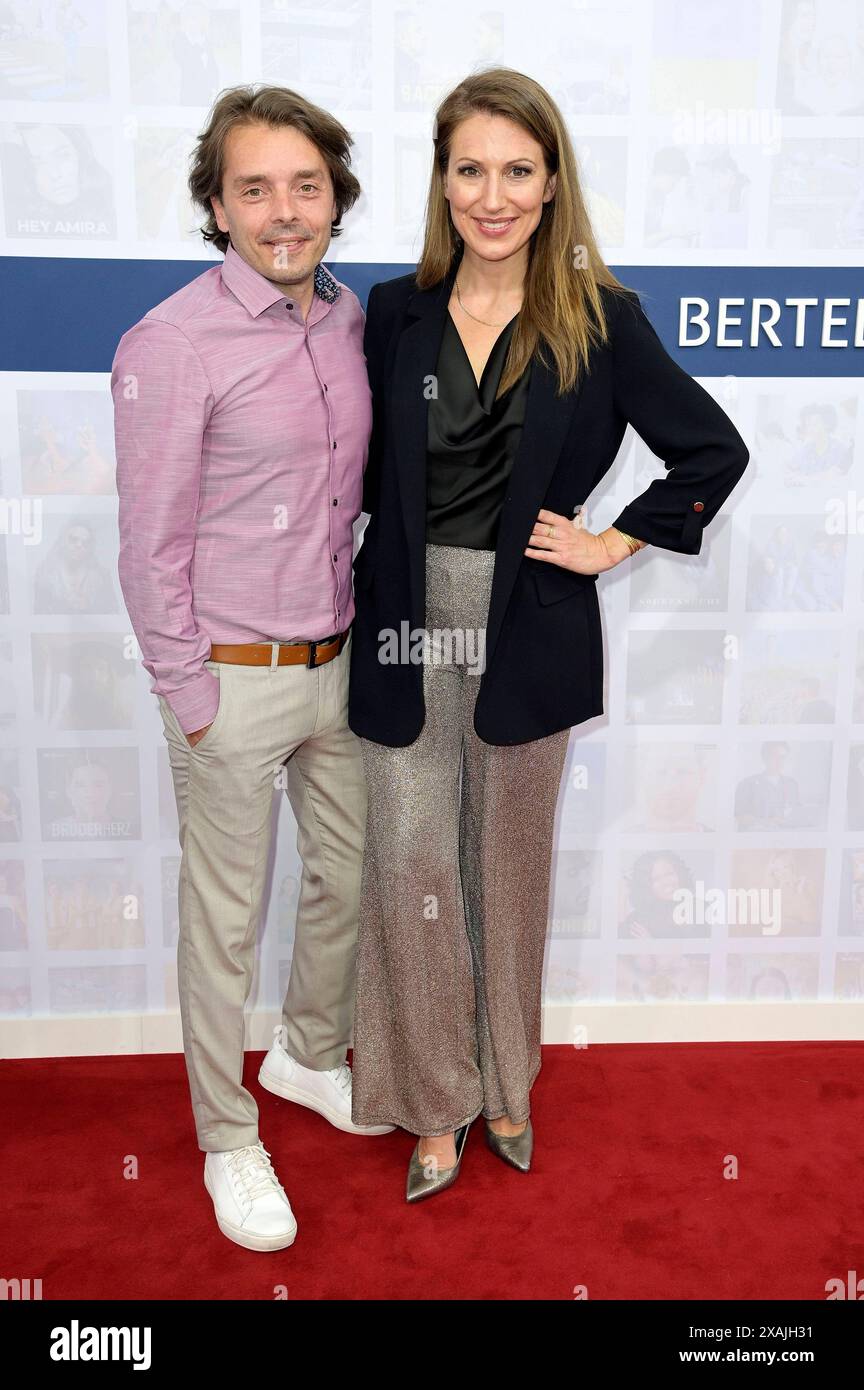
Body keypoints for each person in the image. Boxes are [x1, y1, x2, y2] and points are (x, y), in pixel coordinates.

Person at [348, 67, 750, 1202]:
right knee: (414, 864)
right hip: (407, 620)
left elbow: (712, 453)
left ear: (552, 180)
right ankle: (436, 1099)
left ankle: (507, 1081)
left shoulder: (602, 319)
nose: (493, 194)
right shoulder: (391, 312)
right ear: (441, 180)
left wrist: (616, 540)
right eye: (470, 168)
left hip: (529, 623)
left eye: (517, 170)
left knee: (506, 871)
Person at [112, 84, 393, 1253]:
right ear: (216, 207)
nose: (285, 210)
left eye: (306, 185)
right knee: (223, 922)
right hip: (229, 675)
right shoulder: (172, 342)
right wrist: (191, 692)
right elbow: (149, 542)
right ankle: (229, 1138)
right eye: (254, 188)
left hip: (338, 660)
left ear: (337, 197)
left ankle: (307, 1054)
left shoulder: (350, 319)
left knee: (352, 871)